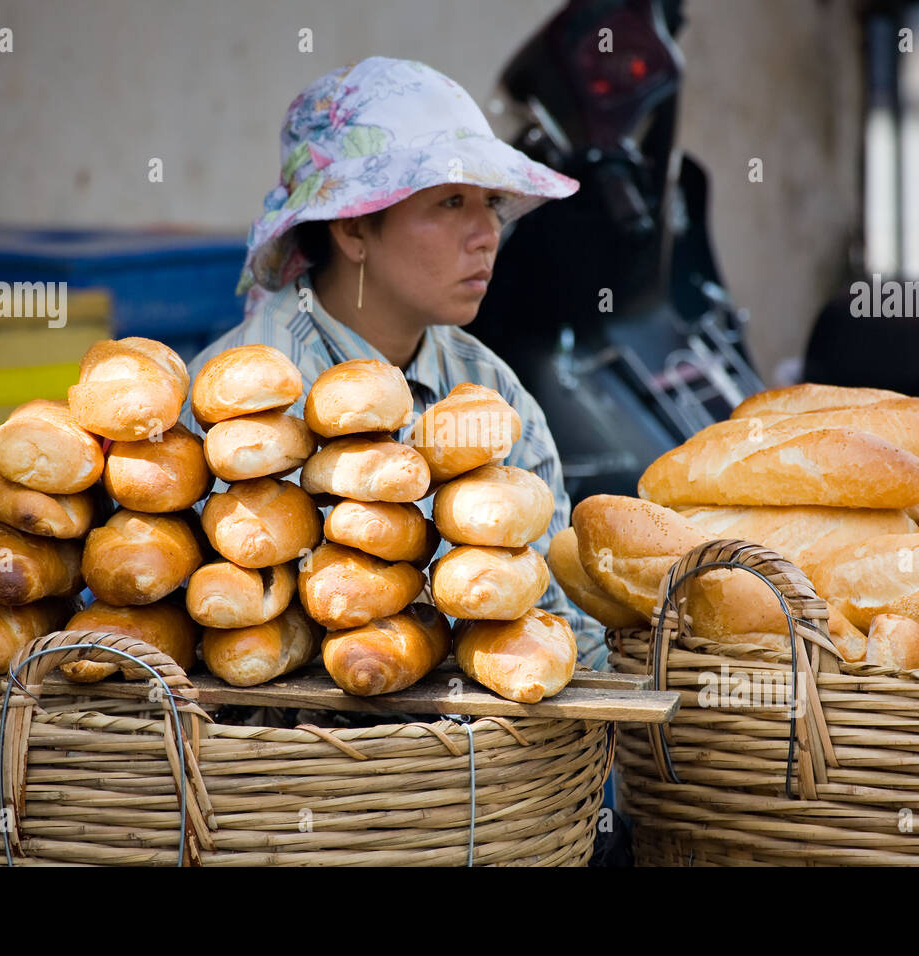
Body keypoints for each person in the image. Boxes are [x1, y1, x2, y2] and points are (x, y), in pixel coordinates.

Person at [182, 56, 608, 668]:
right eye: (452, 201)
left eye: (491, 201)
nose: (487, 232)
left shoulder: (492, 392)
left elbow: (561, 622)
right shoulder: (237, 404)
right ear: (353, 229)